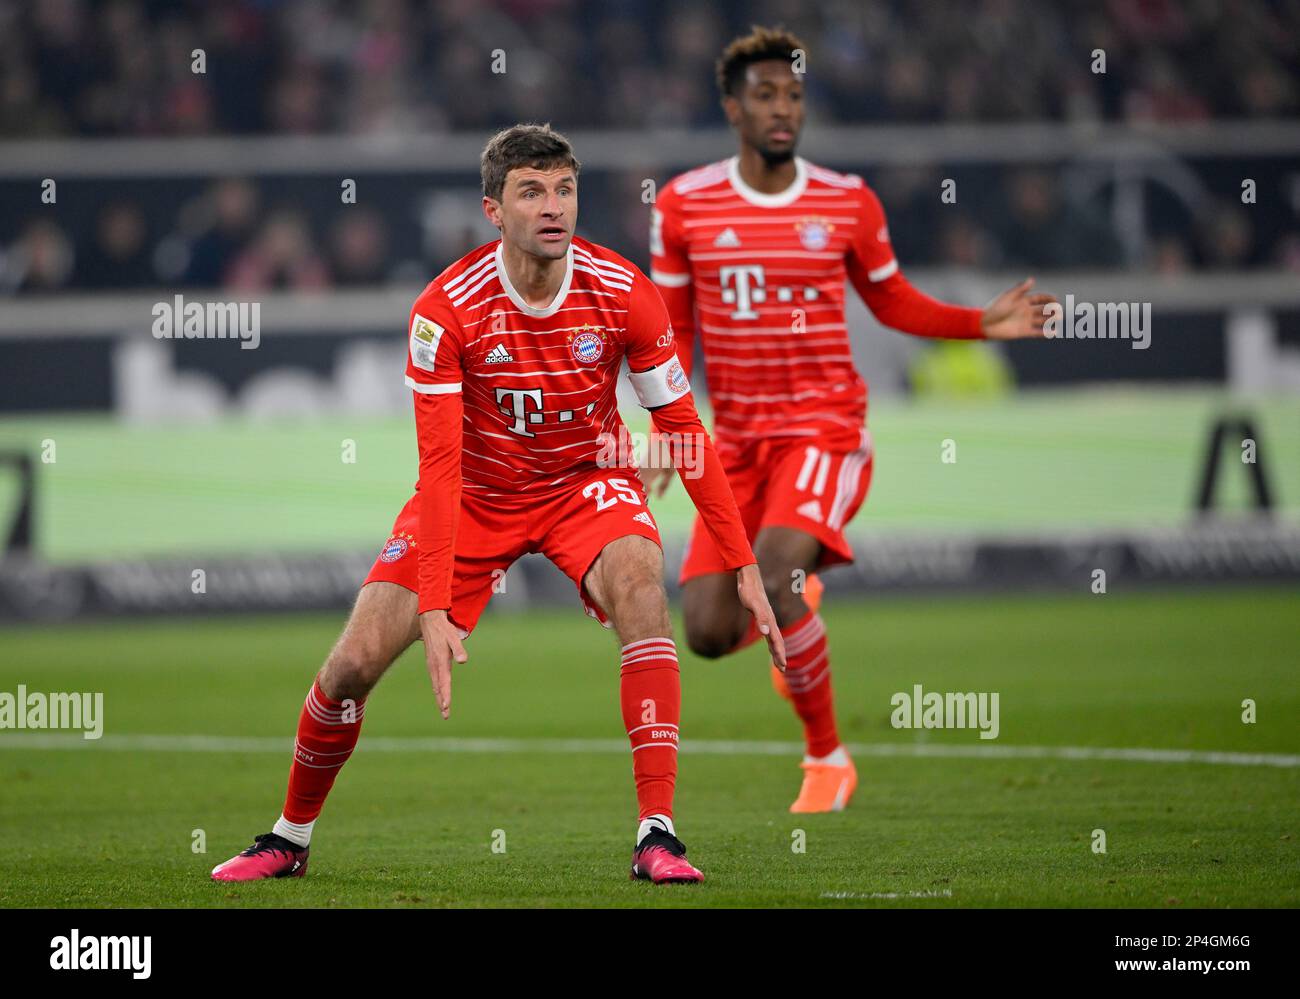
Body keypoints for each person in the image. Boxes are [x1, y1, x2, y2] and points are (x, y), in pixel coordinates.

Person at [211, 123, 784, 886]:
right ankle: (289, 837)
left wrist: (743, 564)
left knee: (643, 590)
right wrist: (438, 602)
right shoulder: (444, 309)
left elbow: (683, 432)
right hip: (475, 493)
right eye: (532, 191)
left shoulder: (623, 292)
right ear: (494, 210)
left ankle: (658, 836)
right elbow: (441, 470)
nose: (555, 207)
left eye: (566, 189)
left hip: (585, 482)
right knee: (351, 664)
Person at [645, 27, 1056, 812]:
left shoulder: (846, 200)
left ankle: (827, 757)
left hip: (823, 430)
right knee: (702, 630)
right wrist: (669, 422)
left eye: (793, 96)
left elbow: (891, 298)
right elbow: (675, 324)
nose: (782, 109)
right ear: (732, 107)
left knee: (773, 574)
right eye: (765, 95)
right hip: (734, 443)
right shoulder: (683, 203)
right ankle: (795, 618)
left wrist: (981, 321)